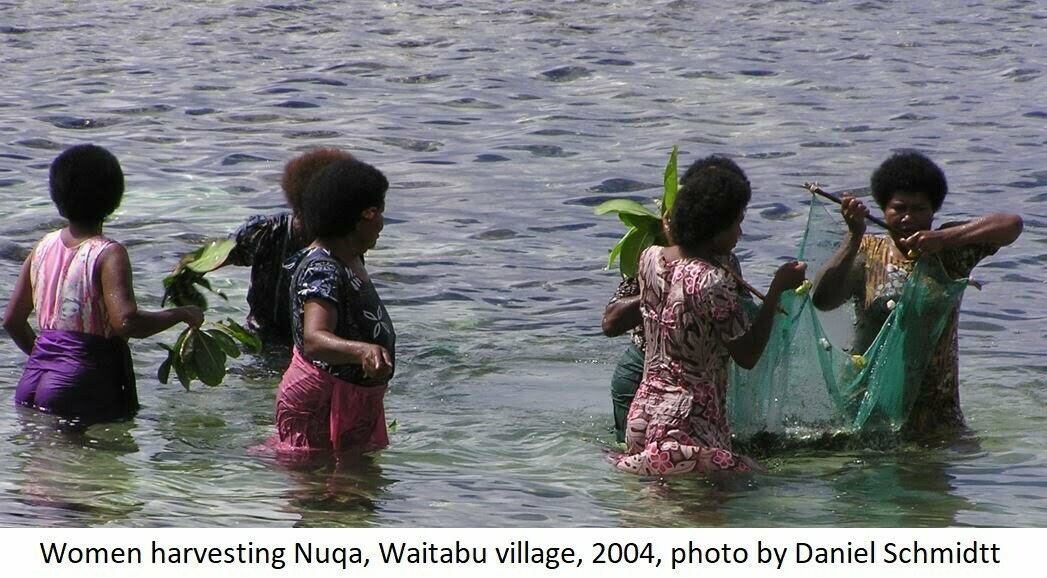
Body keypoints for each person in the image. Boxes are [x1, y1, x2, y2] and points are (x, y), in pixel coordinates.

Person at [811, 151, 1022, 439]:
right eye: (899, 209)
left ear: (933, 211)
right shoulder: (868, 252)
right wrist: (853, 235)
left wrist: (943, 238)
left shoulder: (950, 252)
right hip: (867, 400)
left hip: (934, 409)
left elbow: (1011, 225)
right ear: (884, 210)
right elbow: (822, 300)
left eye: (919, 209)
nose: (908, 218)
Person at [616, 162, 807, 475]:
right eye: (736, 224)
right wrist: (776, 290)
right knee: (704, 515)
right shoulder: (710, 281)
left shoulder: (650, 258)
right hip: (689, 422)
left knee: (653, 515)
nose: (740, 233)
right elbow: (747, 354)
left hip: (644, 412)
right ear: (715, 228)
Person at [3, 144, 203, 425]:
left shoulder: (42, 247)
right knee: (92, 466)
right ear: (115, 199)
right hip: (79, 382)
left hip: (33, 379)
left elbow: (12, 320)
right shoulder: (108, 253)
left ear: (56, 196)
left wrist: (49, 358)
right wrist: (182, 314)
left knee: (42, 467)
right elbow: (126, 322)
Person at [601, 155, 752, 445]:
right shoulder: (655, 256)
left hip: (689, 392)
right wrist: (675, 275)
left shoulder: (727, 263)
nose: (739, 232)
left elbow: (735, 327)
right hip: (643, 373)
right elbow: (610, 322)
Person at [274, 158, 395, 453]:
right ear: (364, 215)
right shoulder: (323, 267)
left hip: (351, 396)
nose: (382, 223)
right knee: (315, 491)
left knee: (356, 491)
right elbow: (315, 339)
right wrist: (363, 350)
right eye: (379, 212)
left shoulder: (350, 258)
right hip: (323, 402)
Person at [223, 147, 355, 346]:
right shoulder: (266, 233)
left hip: (315, 346)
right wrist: (188, 269)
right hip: (263, 340)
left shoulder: (344, 244)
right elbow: (215, 257)